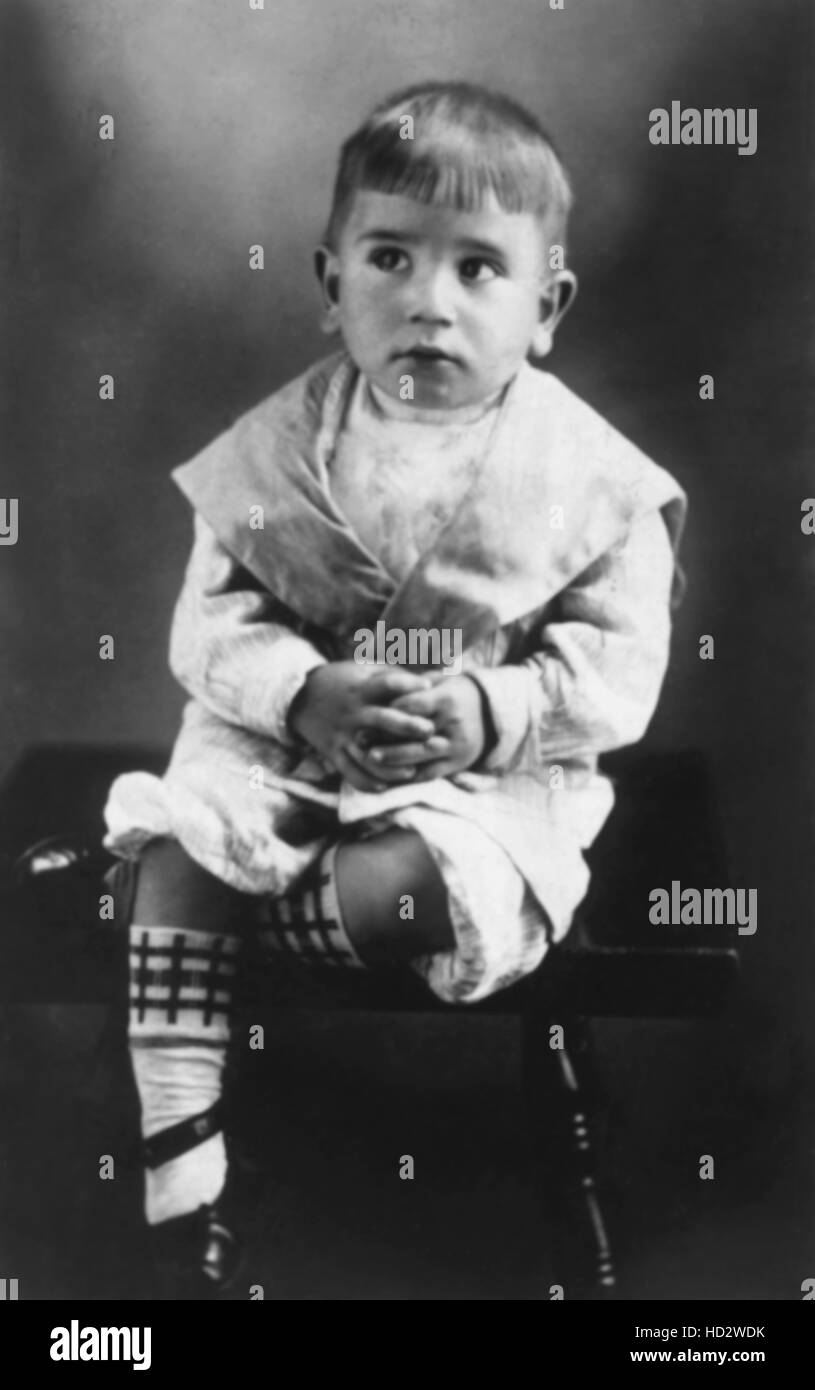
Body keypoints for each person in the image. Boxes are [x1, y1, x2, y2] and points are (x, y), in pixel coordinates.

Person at [102, 80, 687, 1298]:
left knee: (412, 882)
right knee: (182, 836)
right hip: (284, 751)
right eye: (389, 257)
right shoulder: (279, 452)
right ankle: (182, 1139)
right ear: (331, 284)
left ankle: (223, 935)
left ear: (546, 307)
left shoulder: (583, 474)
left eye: (478, 269)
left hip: (473, 779)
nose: (427, 300)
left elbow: (615, 675)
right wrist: (303, 691)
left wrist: (493, 710)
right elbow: (207, 630)